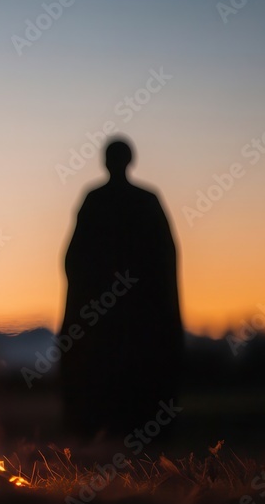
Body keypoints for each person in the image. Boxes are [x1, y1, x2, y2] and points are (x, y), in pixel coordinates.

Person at [60, 137, 183, 437]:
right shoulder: (115, 200)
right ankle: (108, 430)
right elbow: (76, 257)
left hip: (133, 313)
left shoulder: (131, 200)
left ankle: (127, 431)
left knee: (129, 374)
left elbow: (163, 256)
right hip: (114, 313)